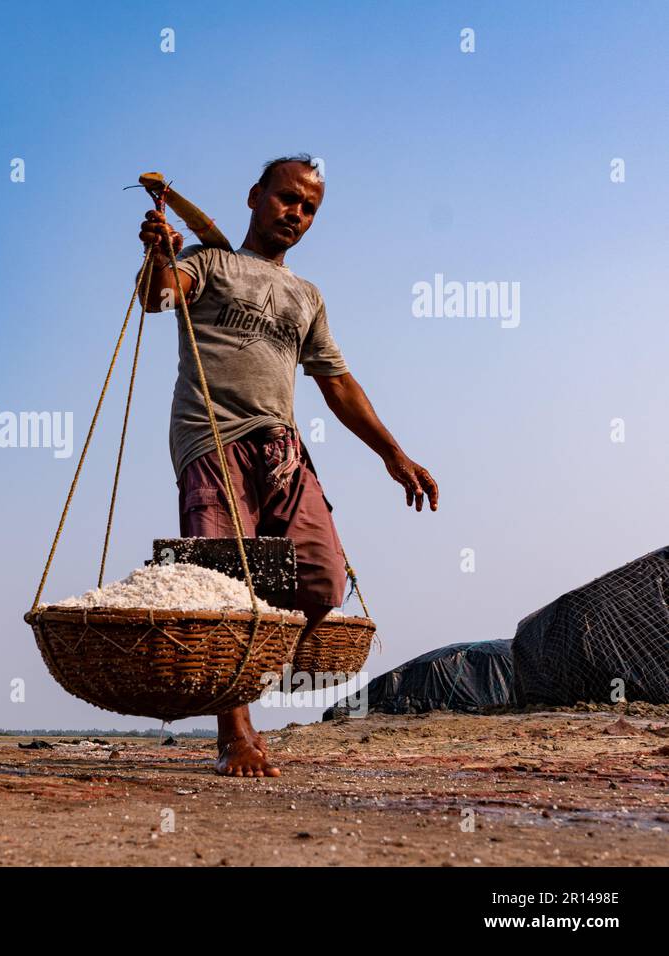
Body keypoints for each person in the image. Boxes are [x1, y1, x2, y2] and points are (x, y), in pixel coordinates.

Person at [138, 154, 439, 778]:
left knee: (323, 578)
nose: (296, 214)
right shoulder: (208, 260)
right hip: (212, 440)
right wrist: (160, 252)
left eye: (309, 208)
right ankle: (235, 734)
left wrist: (394, 453)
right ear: (255, 196)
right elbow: (159, 299)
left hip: (282, 446)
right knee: (222, 590)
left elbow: (338, 383)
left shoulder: (306, 295)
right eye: (286, 199)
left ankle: (241, 665)